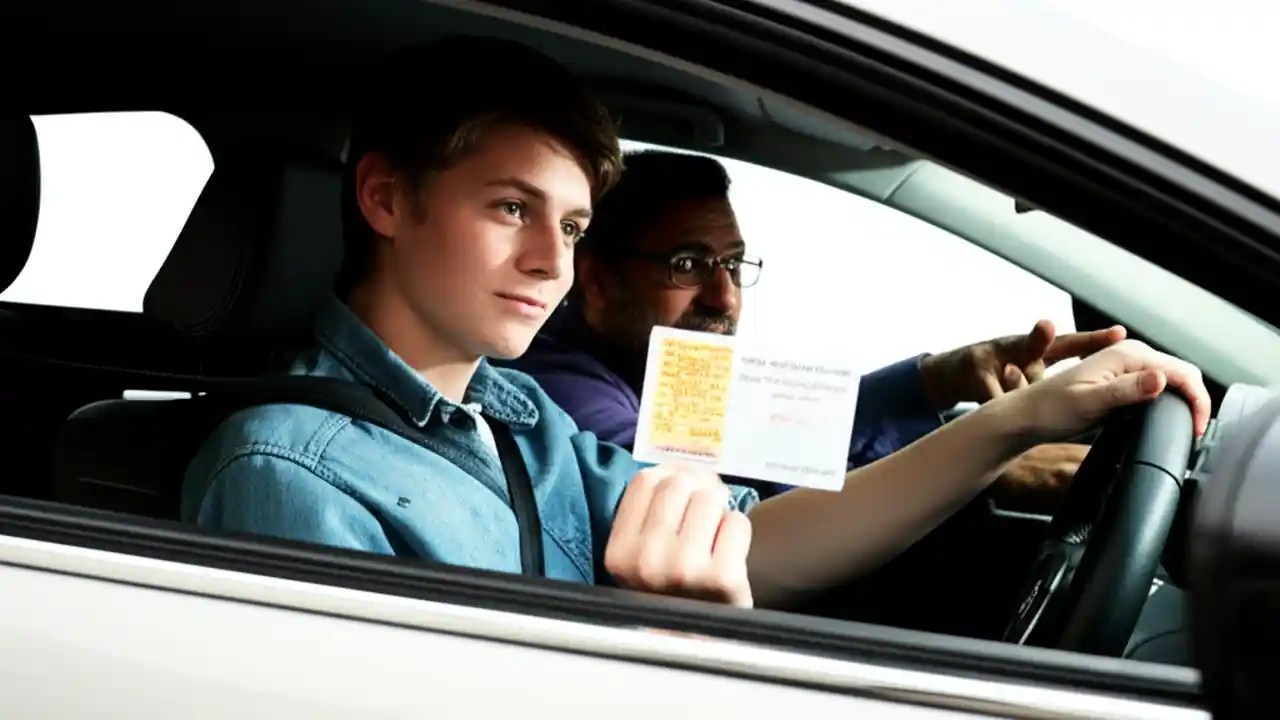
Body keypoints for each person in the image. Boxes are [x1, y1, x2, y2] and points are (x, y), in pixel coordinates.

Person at [181, 36, 1210, 611]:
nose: (550, 259)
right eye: (510, 209)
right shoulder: (288, 474)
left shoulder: (518, 417)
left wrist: (1007, 423)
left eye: (572, 224)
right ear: (386, 200)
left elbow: (750, 542)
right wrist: (670, 651)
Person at [503, 150, 1114, 509]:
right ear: (598, 280)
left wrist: (939, 377)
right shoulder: (555, 388)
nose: (724, 295)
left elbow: (769, 430)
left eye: (733, 264)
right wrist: (984, 464)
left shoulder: (657, 380)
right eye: (686, 266)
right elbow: (708, 468)